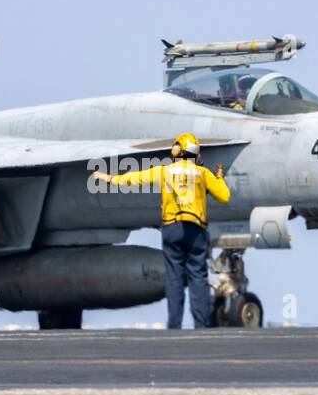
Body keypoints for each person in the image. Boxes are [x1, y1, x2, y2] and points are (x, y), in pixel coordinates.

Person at [92, 133, 231, 328]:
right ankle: (201, 326)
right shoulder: (204, 173)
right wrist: (219, 178)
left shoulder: (165, 171)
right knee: (198, 277)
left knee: (174, 277)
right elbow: (224, 197)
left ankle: (174, 326)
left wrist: (109, 178)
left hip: (172, 229)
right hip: (196, 230)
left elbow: (135, 179)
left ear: (178, 150)